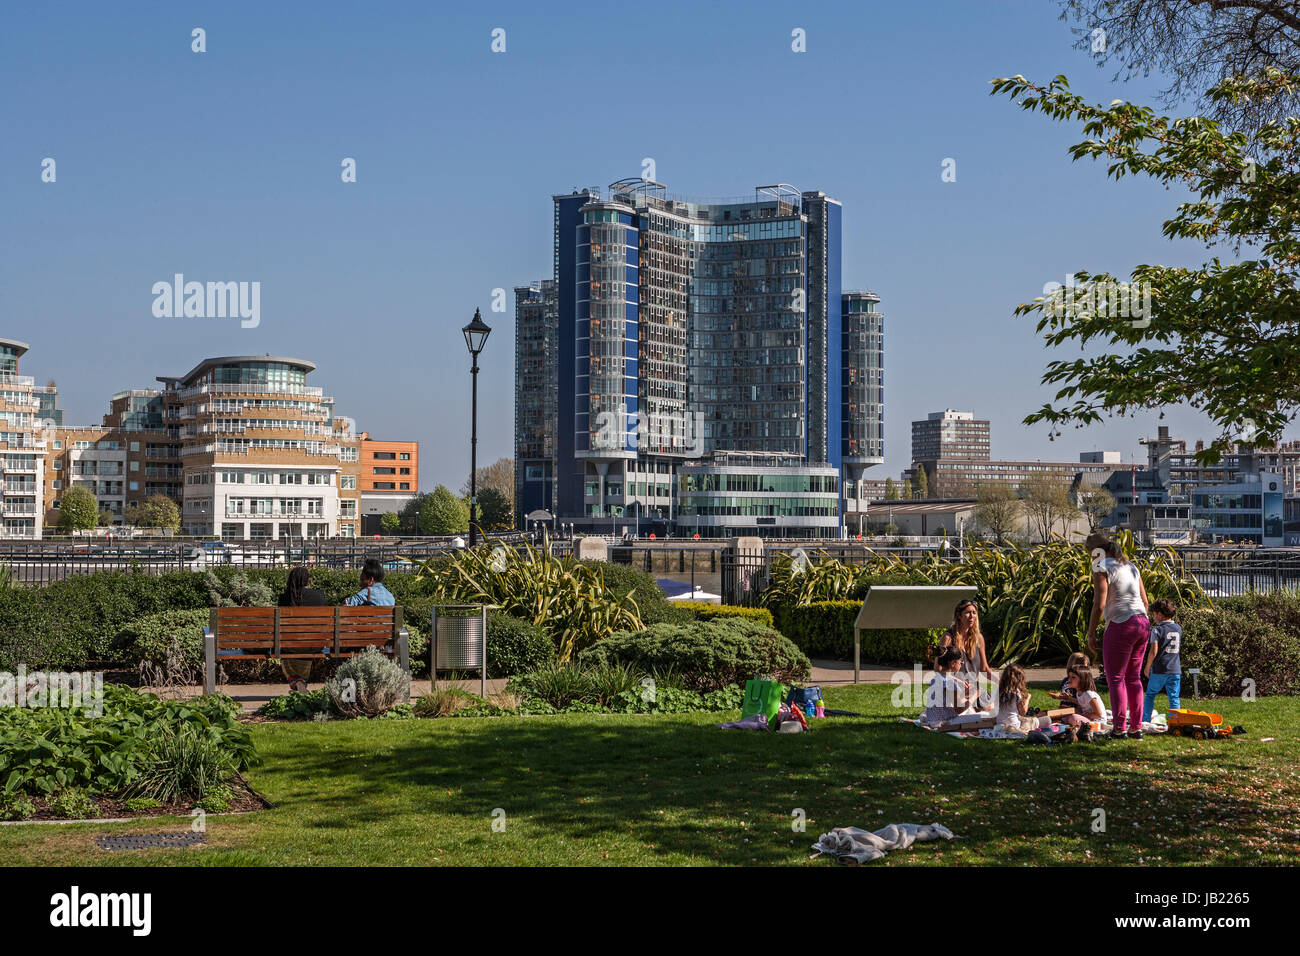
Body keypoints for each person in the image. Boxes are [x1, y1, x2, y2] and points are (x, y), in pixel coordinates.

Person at [1085, 533, 1150, 740]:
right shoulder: (1130, 566)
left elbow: (1099, 604)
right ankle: (1136, 728)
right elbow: (1145, 602)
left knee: (1116, 678)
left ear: (1094, 552)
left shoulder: (1101, 566)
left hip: (1121, 624)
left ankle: (1120, 728)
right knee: (1134, 677)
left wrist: (1091, 632)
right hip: (1142, 622)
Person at [936, 599, 996, 709]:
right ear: (959, 615)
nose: (971, 616)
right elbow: (938, 669)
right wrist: (960, 682)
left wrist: (1004, 683)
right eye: (968, 613)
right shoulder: (948, 638)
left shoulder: (979, 638)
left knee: (995, 708)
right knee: (978, 712)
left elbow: (984, 669)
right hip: (954, 689)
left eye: (974, 612)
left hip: (973, 689)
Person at [279, 566, 327, 693]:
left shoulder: (284, 598)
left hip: (289, 646)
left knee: (285, 646)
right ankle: (301, 681)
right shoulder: (320, 596)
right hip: (314, 645)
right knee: (307, 642)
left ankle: (296, 681)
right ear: (308, 581)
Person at [1142, 599, 1182, 724]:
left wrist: (1148, 666)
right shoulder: (1178, 628)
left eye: (1154, 614)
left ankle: (1145, 720)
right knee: (1174, 697)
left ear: (1160, 614)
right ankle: (1175, 722)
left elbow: (1153, 651)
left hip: (1159, 669)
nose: (1153, 617)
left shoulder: (1156, 630)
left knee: (1150, 695)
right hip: (1175, 669)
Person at [922, 648, 975, 727]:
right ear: (953, 663)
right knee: (982, 716)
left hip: (932, 720)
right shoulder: (950, 682)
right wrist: (974, 696)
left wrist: (966, 694)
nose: (961, 665)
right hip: (943, 721)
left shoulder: (936, 678)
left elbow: (949, 700)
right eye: (961, 662)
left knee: (970, 710)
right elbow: (959, 709)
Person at [995, 663, 1048, 734]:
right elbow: (1023, 712)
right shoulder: (1015, 692)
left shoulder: (997, 690)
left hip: (999, 725)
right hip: (1015, 726)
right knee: (1046, 720)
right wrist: (1027, 699)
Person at [1063, 666, 1107, 732]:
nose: (1069, 680)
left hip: (1098, 723)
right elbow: (1081, 704)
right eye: (1069, 677)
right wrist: (1068, 699)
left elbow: (1098, 714)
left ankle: (1075, 727)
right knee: (1065, 715)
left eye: (1073, 677)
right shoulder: (1078, 693)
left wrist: (1081, 715)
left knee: (1073, 717)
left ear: (1083, 680)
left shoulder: (1089, 694)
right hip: (1088, 720)